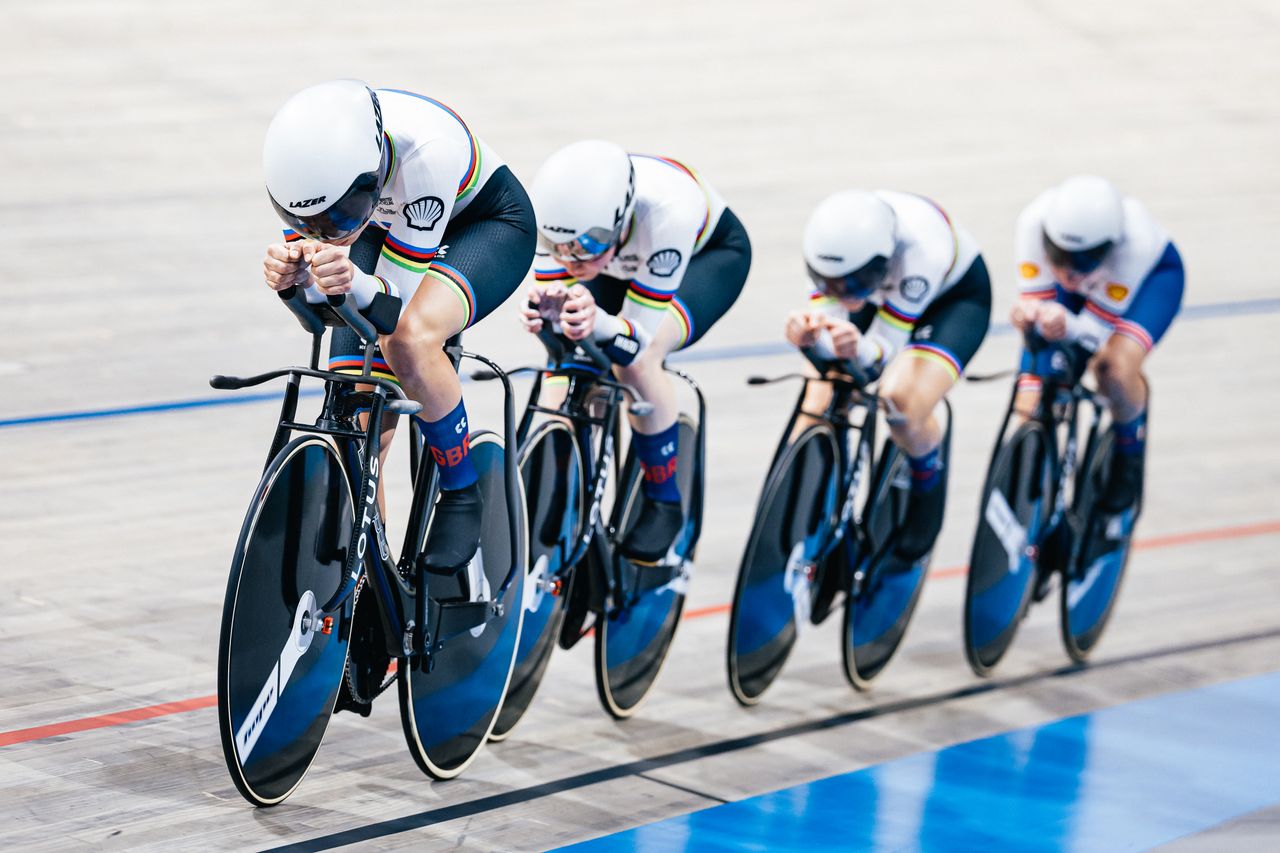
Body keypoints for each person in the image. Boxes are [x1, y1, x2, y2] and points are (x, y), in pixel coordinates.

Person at [260, 80, 536, 572]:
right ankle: (367, 584)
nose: (327, 229)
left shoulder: (427, 153)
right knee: (358, 416)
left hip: (480, 225)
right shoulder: (304, 179)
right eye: (312, 221)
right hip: (384, 225)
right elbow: (317, 316)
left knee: (407, 341)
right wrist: (293, 285)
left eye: (338, 213)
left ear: (373, 169)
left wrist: (348, 281)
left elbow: (389, 313)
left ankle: (460, 488)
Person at [521, 140, 752, 563]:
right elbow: (560, 293)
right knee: (568, 362)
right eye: (559, 246)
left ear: (621, 217)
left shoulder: (668, 212)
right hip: (617, 263)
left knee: (637, 364)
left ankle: (663, 498)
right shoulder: (557, 224)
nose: (571, 259)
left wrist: (599, 321)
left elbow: (636, 339)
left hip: (702, 261)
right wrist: (547, 313)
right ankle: (567, 491)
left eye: (585, 245)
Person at [785, 190, 992, 561]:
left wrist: (858, 348)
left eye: (854, 283)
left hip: (950, 302)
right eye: (829, 282)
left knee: (903, 402)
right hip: (880, 294)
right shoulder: (828, 253)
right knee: (817, 399)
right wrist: (810, 340)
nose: (840, 292)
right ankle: (815, 503)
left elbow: (881, 354)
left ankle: (926, 490)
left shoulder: (922, 252)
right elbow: (830, 341)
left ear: (881, 264)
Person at [1009, 175, 1184, 511]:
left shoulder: (1136, 243)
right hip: (1087, 294)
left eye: (1081, 260)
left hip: (1149, 283)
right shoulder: (1032, 223)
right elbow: (1036, 314)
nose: (1067, 271)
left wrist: (1064, 325)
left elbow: (1093, 334)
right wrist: (1029, 319)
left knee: (1112, 369)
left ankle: (1128, 449)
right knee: (1031, 393)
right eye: (1057, 255)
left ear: (1108, 246)